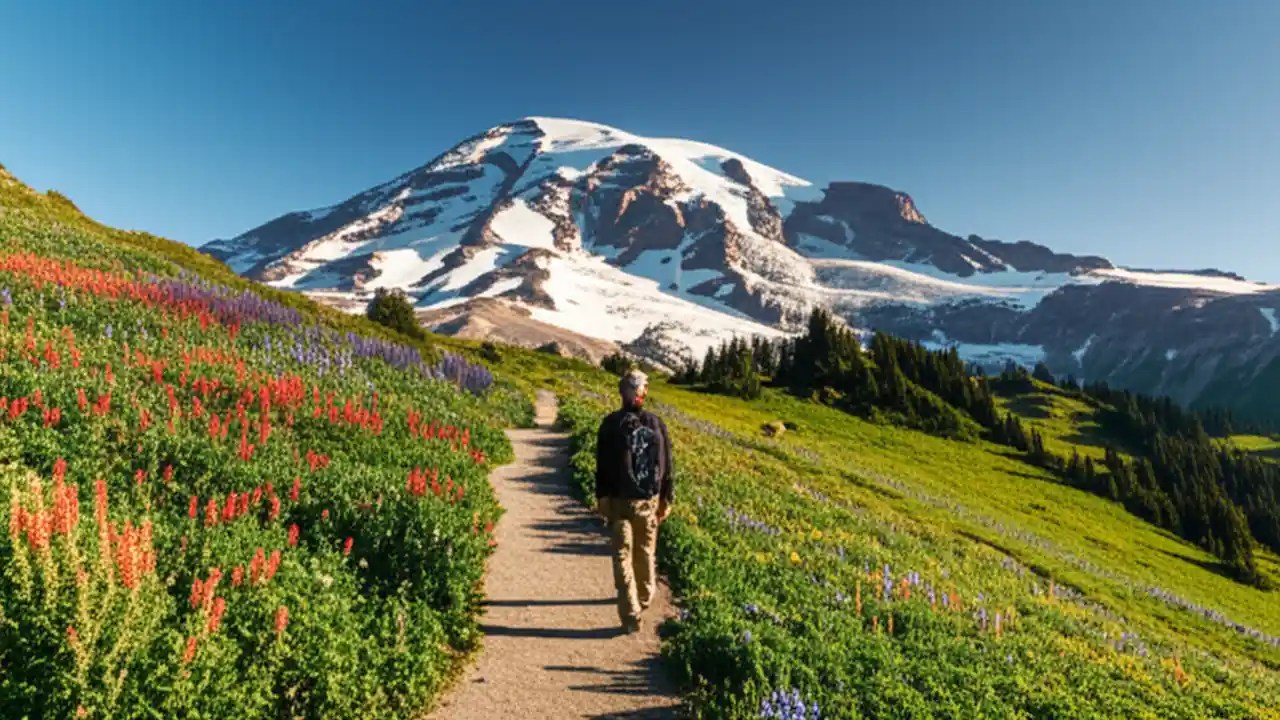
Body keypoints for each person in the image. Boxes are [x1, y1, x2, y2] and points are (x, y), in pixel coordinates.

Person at [595, 369, 674, 633]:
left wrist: (601, 497)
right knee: (645, 551)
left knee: (621, 556)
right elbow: (666, 466)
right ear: (644, 392)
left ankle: (630, 613)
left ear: (621, 392)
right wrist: (666, 498)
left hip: (618, 502)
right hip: (647, 503)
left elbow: (602, 468)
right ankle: (644, 596)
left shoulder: (609, 424)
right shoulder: (656, 424)